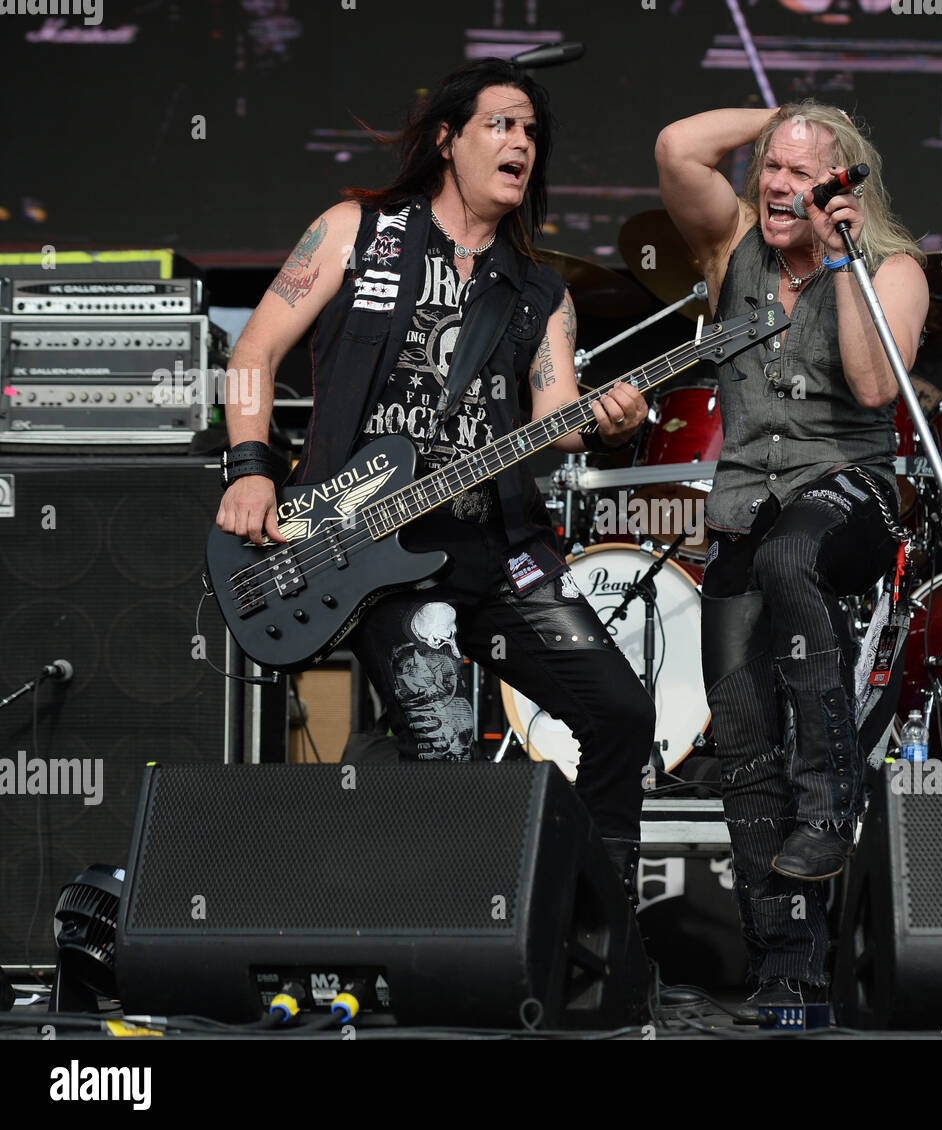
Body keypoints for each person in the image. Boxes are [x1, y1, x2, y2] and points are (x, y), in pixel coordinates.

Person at [215, 58, 654, 899]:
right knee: (442, 741)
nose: (521, 141)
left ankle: (594, 925)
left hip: (499, 548)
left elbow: (556, 414)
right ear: (448, 139)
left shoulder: (540, 293)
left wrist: (608, 422)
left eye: (532, 132)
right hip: (366, 546)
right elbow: (254, 352)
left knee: (624, 718)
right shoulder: (356, 230)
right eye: (502, 124)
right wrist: (250, 467)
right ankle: (445, 946)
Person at [656, 101, 929, 1006]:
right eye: (771, 166)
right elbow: (677, 147)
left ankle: (829, 800)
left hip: (850, 495)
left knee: (790, 558)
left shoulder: (892, 270)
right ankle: (786, 968)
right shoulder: (732, 244)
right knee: (738, 739)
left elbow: (871, 384)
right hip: (744, 510)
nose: (775, 185)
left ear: (843, 185)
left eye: (799, 173)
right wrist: (787, 116)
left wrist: (842, 256)